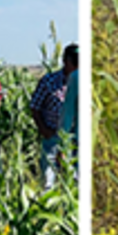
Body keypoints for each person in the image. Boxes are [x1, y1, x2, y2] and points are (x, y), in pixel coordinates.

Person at [28, 43, 77, 187]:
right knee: (48, 180)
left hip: (74, 137)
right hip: (52, 136)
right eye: (74, 62)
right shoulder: (49, 81)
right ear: (65, 61)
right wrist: (43, 129)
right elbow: (35, 106)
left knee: (74, 179)